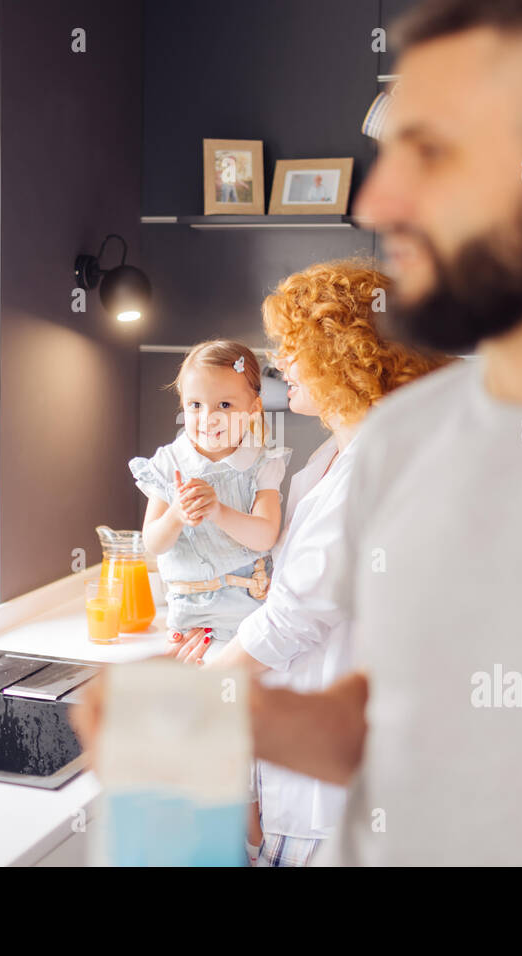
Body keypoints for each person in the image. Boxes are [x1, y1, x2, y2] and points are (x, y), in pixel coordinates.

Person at [74, 0, 522, 866]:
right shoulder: (405, 437)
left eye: (430, 151)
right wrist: (209, 713)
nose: (380, 199)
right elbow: (401, 730)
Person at [170, 261, 444, 866]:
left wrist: (200, 680)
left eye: (293, 347)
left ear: (343, 356)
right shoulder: (333, 456)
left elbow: (294, 619)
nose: (279, 363)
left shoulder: (373, 466)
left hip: (329, 796)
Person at [129, 340, 291, 661]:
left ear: (253, 409)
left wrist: (218, 511)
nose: (208, 418)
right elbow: (153, 543)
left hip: (248, 615)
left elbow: (265, 535)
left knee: (232, 684)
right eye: (195, 405)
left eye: (225, 405)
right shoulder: (170, 464)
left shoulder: (260, 463)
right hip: (190, 619)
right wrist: (176, 515)